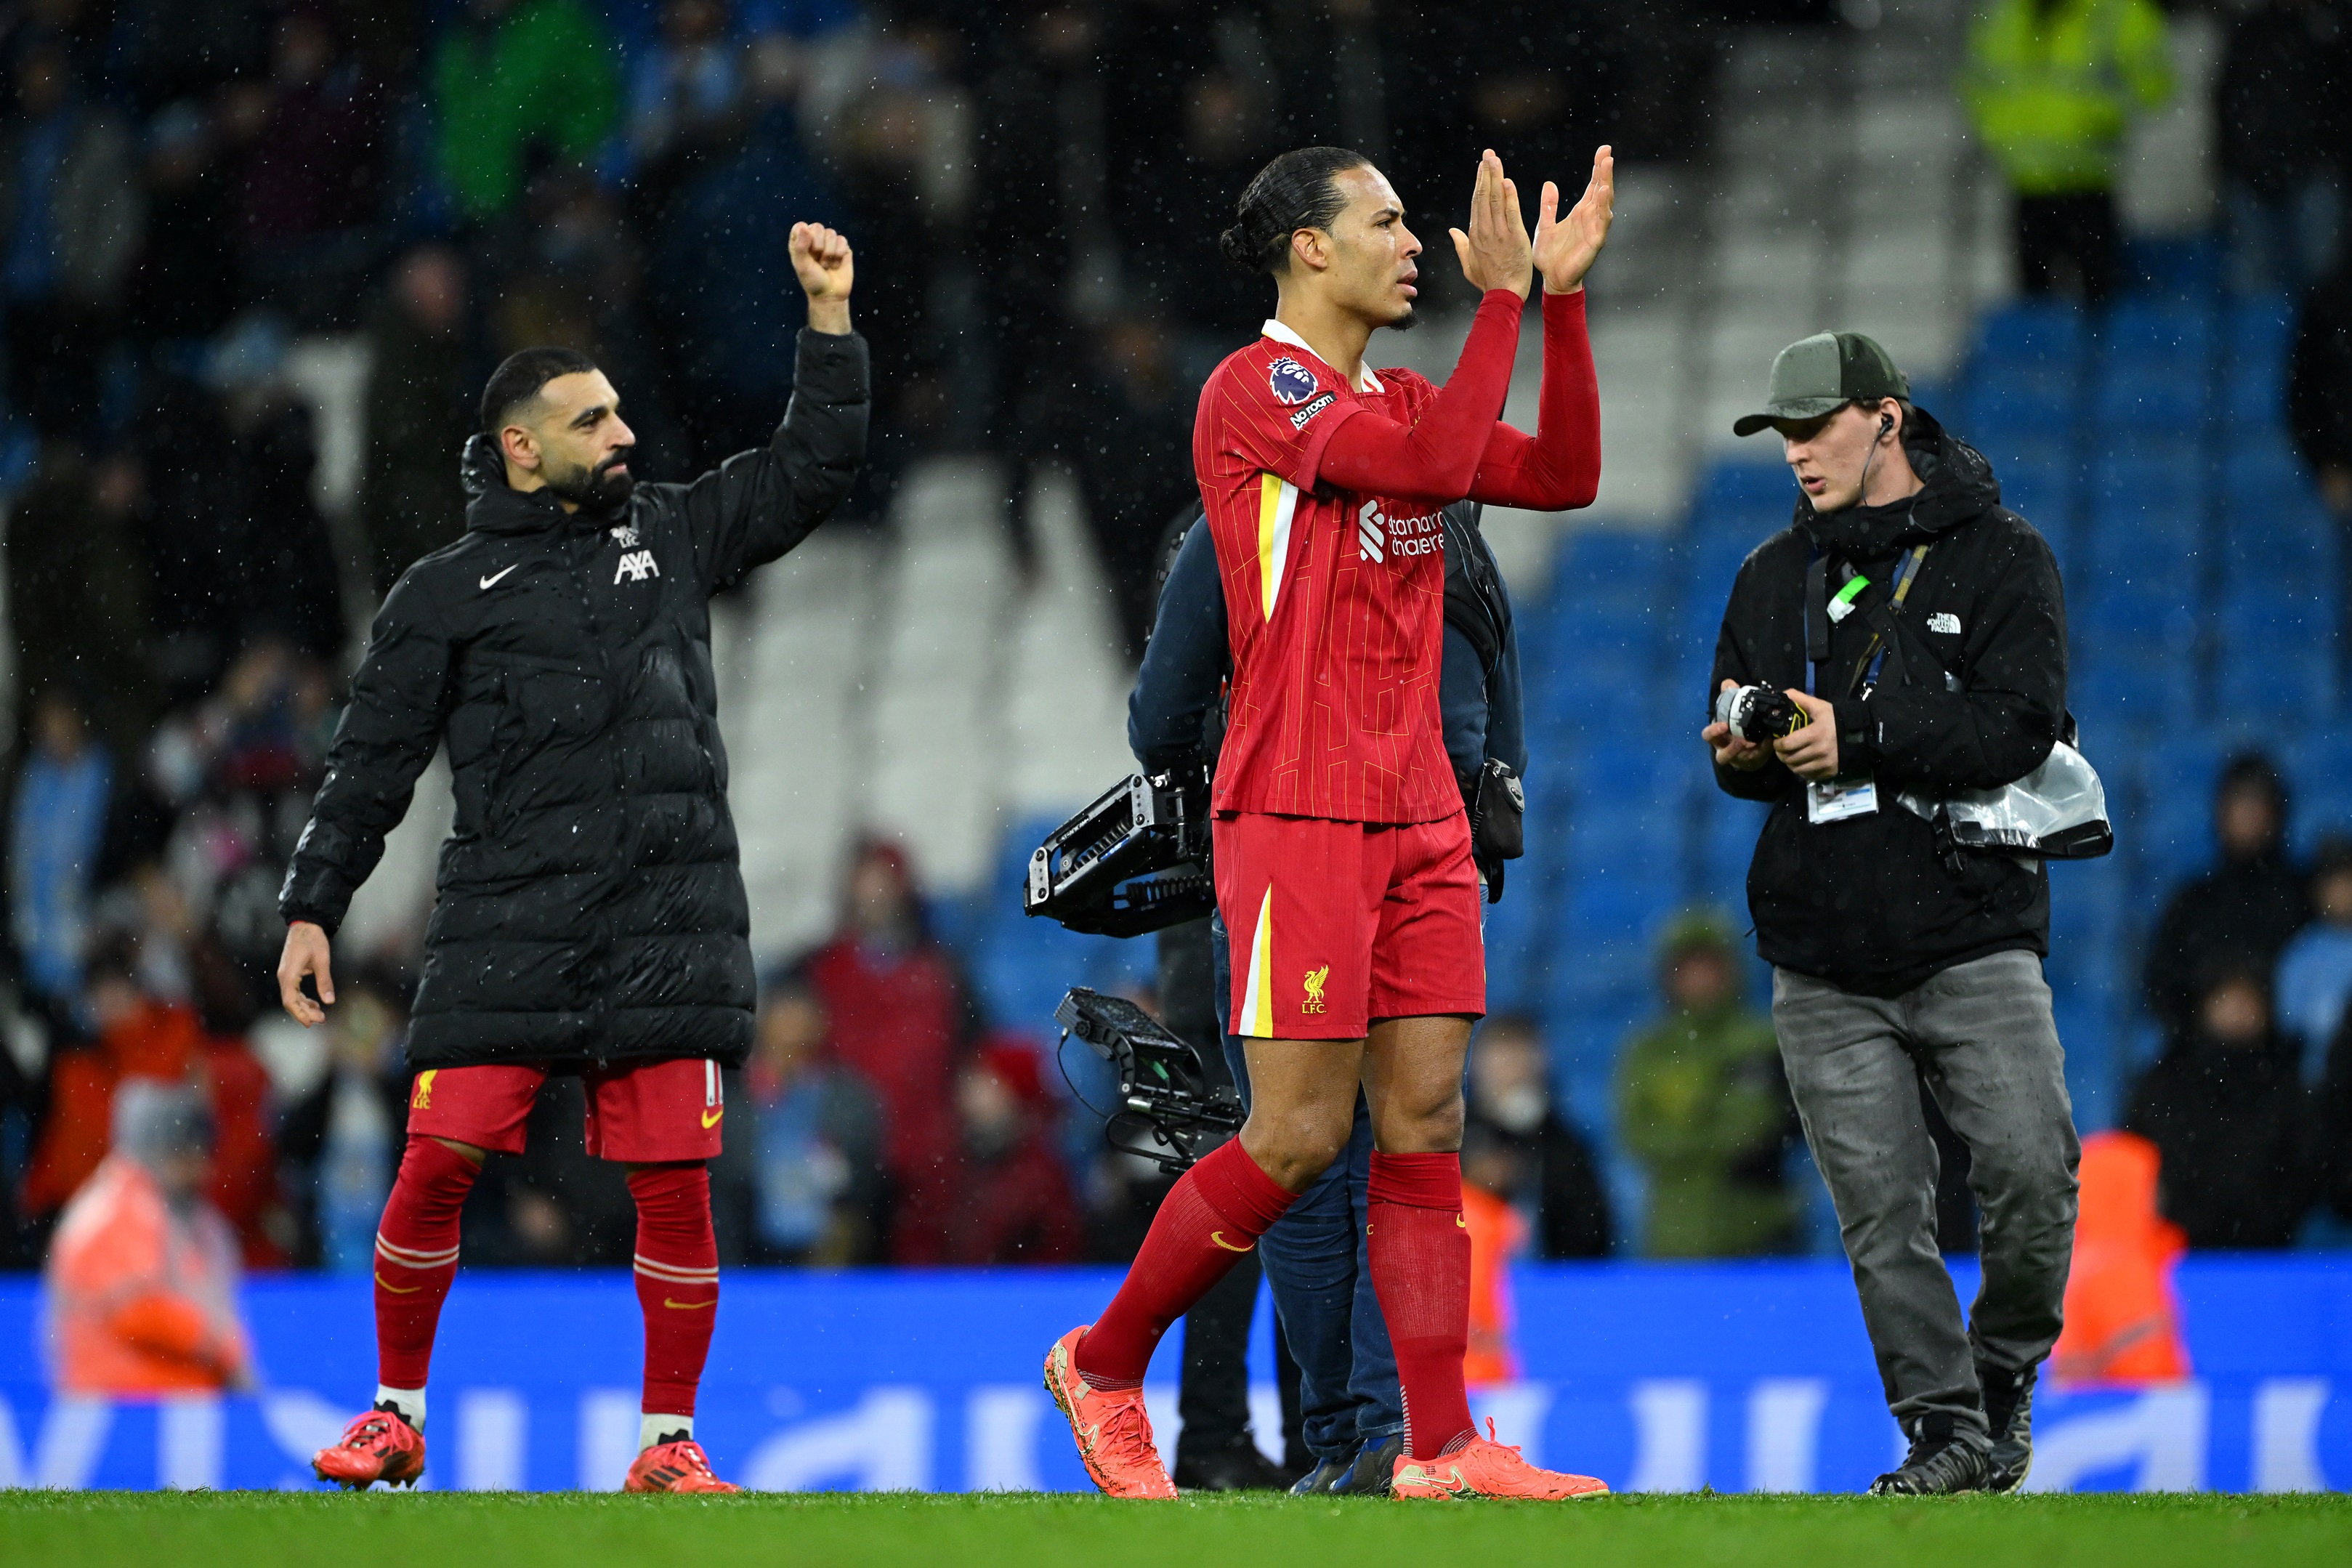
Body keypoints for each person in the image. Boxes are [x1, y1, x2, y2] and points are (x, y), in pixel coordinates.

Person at [1046, 142, 1613, 1503]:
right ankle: (1106, 1358)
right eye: (1386, 222)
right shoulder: (1255, 392)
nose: (1414, 242)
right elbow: (1424, 467)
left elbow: (1567, 474)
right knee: (1297, 1135)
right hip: (1295, 806)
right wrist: (1501, 302)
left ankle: (1435, 1444)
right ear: (1308, 247)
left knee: (1423, 1122)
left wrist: (1565, 304)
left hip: (1420, 806)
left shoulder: (1403, 391)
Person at [278, 220, 865, 1494]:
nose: (625, 436)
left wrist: (828, 324)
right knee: (435, 1163)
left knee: (676, 1187)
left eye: (619, 416)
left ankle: (668, 1440)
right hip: (505, 921)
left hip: (663, 917)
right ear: (521, 447)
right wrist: (313, 902)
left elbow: (812, 467)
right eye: (594, 421)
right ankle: (394, 1412)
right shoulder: (439, 595)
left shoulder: (672, 533)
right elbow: (370, 760)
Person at [1706, 330, 2078, 1495]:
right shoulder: (1773, 573)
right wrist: (1743, 747)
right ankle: (1944, 1429)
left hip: (1971, 928)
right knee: (1881, 1214)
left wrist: (1855, 735)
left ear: (1887, 418)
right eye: (1783, 436)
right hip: (1821, 948)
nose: (1798, 455)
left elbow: (2023, 726)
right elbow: (1732, 734)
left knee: (2032, 1172)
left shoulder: (2003, 556)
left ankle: (2003, 1369)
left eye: (1816, 428)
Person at [45, 1081, 251, 1395]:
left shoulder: (164, 1209)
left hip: (148, 1399)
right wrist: (216, 1346)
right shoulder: (120, 1208)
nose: (204, 1171)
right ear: (162, 1152)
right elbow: (133, 1308)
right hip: (122, 1401)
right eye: (190, 1156)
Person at [1962, 0, 2173, 305]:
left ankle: (2092, 351)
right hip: (2028, 184)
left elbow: (2157, 85)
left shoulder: (2116, 12)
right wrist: (2001, 134)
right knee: (2035, 313)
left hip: (2089, 183)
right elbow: (1975, 83)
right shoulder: (2005, 15)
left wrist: (2098, 118)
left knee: (2100, 306)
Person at [1615, 912, 1799, 1259]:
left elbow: (1758, 1125)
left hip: (1758, 1231)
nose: (1699, 979)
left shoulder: (1765, 1040)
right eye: (1687, 968)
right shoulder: (1647, 1049)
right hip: (1674, 1237)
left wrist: (1685, 1135)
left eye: (1709, 966)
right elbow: (1637, 1134)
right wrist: (1712, 1130)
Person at [2122, 961, 2318, 1250]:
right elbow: (2136, 1164)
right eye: (2227, 998)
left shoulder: (2288, 1086)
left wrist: (2267, 1223)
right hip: (2177, 1253)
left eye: (2249, 1000)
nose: (2239, 1011)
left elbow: (2304, 1170)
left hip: (2272, 1255)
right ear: (2204, 1005)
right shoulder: (2164, 1084)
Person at [2142, 752, 2308, 1036]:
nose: (2249, 815)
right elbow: (2161, 988)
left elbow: (2323, 984)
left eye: (2258, 802)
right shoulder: (2192, 902)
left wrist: (2264, 1006)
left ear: (2278, 812)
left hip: (2287, 1064)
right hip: (2200, 1059)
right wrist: (2208, 1010)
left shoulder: (2305, 898)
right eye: (2239, 801)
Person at [891, 1039, 1086, 1266]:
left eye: (987, 1083)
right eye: (972, 1080)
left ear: (1015, 1094)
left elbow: (1057, 1253)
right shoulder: (941, 1162)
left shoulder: (1044, 1176)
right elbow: (916, 1242)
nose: (971, 1092)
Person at [1463, 1015, 1609, 1261]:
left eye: (1517, 1056)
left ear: (1539, 1063)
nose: (1508, 1071)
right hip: (1470, 1279)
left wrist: (1530, 1176)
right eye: (1500, 1058)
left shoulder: (1565, 1145)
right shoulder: (1451, 1140)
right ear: (1477, 1065)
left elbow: (1591, 1236)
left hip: (1550, 1283)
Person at [2275, 836, 2352, 1083]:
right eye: (2334, 885)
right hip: (2319, 1081)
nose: (2342, 894)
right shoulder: (2302, 952)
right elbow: (2287, 1023)